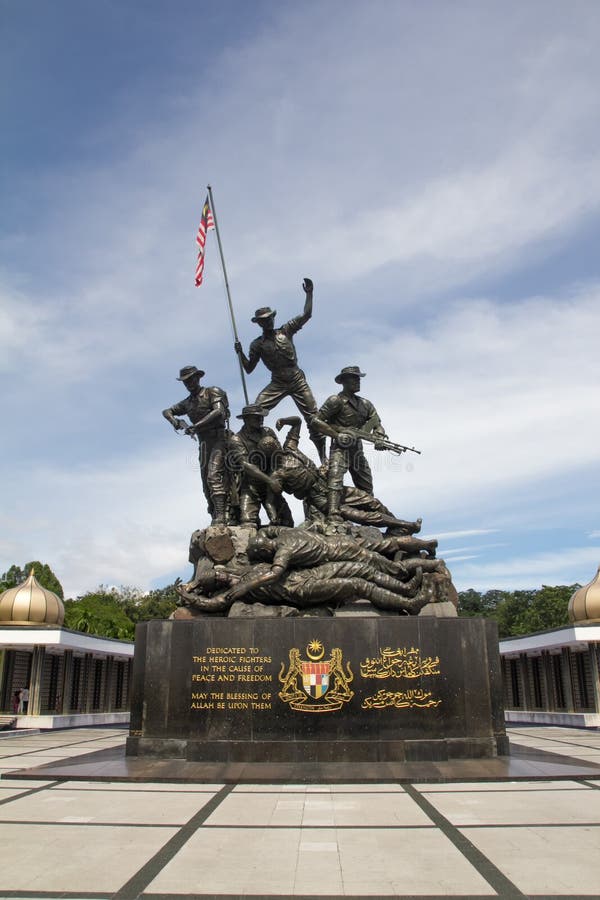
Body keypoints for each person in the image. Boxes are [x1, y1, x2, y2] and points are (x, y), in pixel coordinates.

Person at [265, 416, 422, 533]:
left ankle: (397, 528)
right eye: (272, 449)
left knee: (370, 501)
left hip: (328, 484)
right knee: (361, 516)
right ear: (269, 454)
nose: (277, 448)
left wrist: (284, 420)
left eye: (275, 444)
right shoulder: (276, 474)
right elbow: (270, 500)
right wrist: (273, 518)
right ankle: (406, 525)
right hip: (319, 499)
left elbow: (298, 422)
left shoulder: (290, 448)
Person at [234, 278, 326, 461]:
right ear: (258, 324)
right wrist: (241, 353)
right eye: (263, 321)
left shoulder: (286, 331)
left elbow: (306, 315)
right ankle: (250, 449)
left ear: (273, 318)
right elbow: (249, 369)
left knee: (314, 419)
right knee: (255, 409)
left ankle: (323, 457)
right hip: (277, 382)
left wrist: (309, 294)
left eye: (269, 319)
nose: (267, 322)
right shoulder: (257, 344)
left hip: (297, 379)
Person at [312, 366, 387, 521]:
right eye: (354, 378)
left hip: (357, 450)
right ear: (344, 382)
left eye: (359, 378)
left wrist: (379, 436)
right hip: (340, 448)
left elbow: (377, 423)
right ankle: (333, 513)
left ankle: (370, 515)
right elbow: (316, 421)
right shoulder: (335, 401)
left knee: (366, 483)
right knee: (335, 477)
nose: (358, 382)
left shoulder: (366, 404)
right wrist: (336, 435)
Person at [162, 366, 230, 524]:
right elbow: (166, 411)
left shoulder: (212, 392)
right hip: (204, 443)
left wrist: (196, 426)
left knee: (214, 476)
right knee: (206, 482)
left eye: (191, 379)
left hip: (219, 439)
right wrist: (175, 421)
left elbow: (219, 412)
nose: (189, 383)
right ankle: (214, 513)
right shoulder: (188, 403)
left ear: (198, 378)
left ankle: (221, 516)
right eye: (185, 381)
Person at [227, 405, 293, 528]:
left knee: (286, 521)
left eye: (261, 417)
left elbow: (278, 454)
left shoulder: (267, 432)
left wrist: (275, 478)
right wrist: (270, 481)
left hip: (271, 480)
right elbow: (245, 465)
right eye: (256, 418)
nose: (261, 419)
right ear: (246, 419)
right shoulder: (236, 439)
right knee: (247, 522)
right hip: (252, 485)